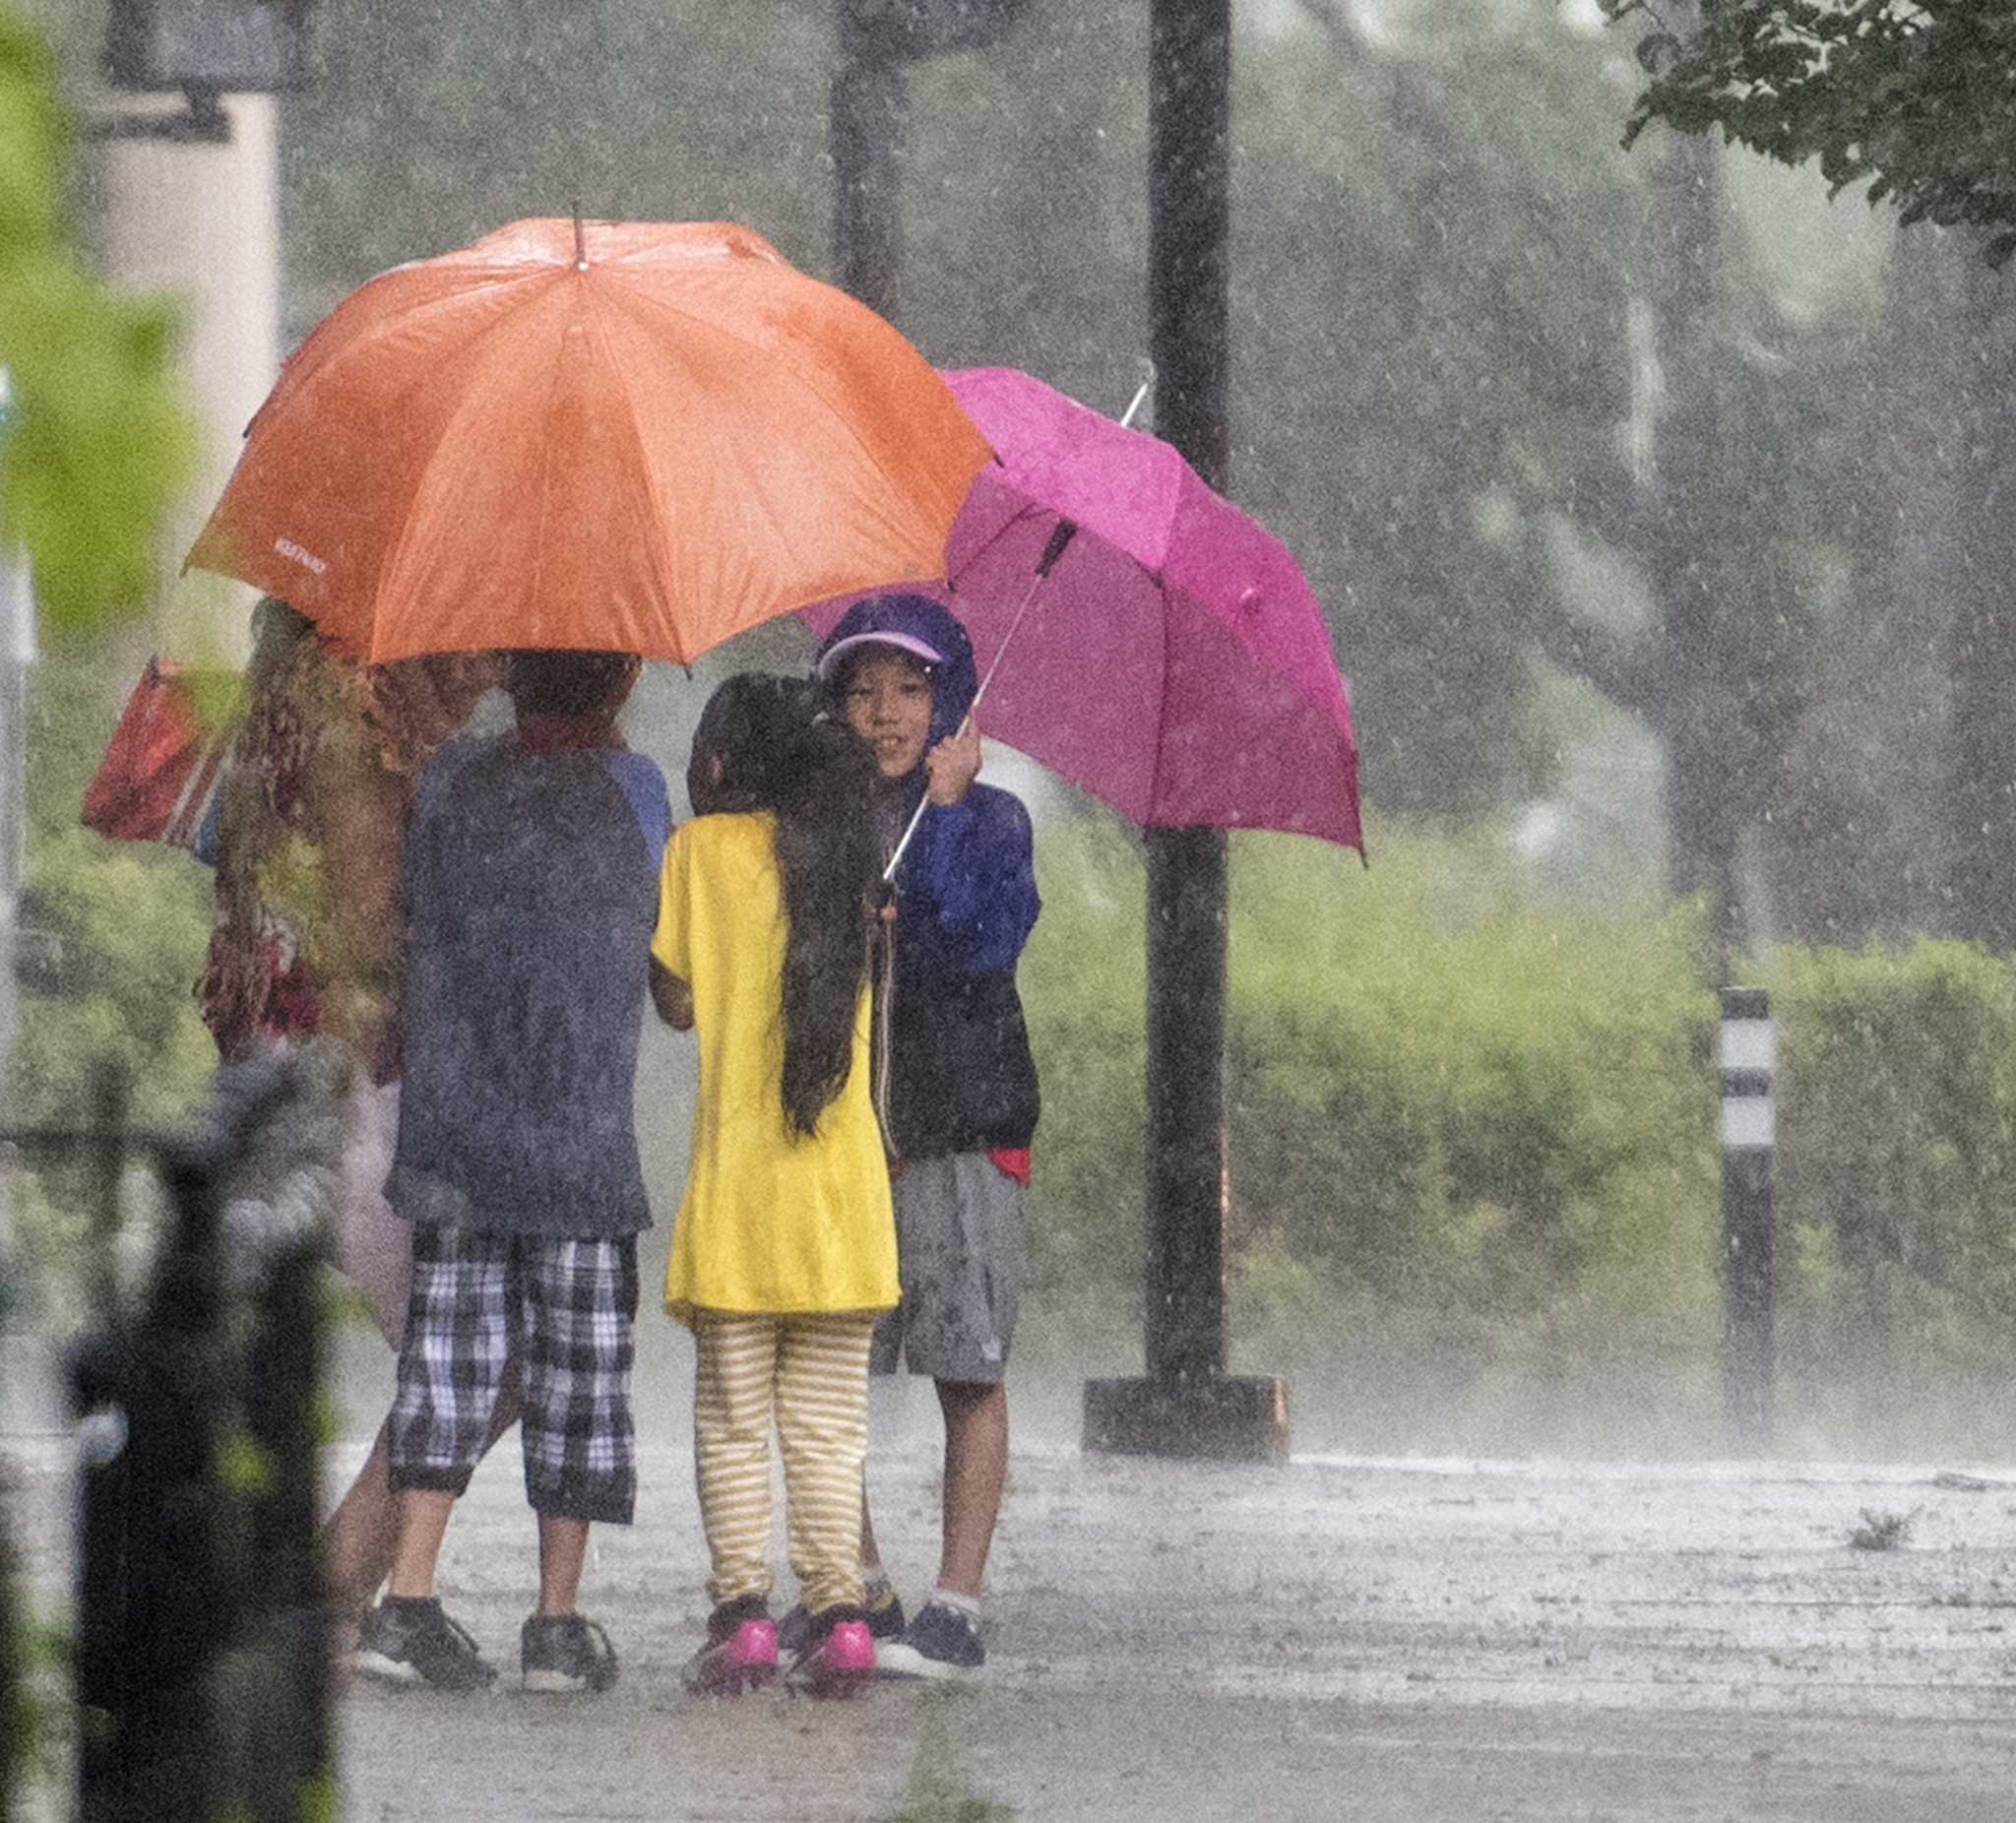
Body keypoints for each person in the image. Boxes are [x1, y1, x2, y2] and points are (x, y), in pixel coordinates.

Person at [351, 648, 666, 1694]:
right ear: (621, 685)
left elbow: (414, 896)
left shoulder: (449, 777)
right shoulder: (635, 787)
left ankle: (405, 1600)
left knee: (442, 1370)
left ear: (505, 678)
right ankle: (557, 1625)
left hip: (457, 1137)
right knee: (573, 1382)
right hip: (576, 1147)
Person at [194, 597, 508, 1634]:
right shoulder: (355, 706)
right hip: (351, 1083)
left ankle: (309, 1589)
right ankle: (329, 1594)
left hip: (268, 1067)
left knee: (302, 1350)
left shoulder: (282, 693)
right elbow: (371, 917)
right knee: (497, 1350)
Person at [651, 673, 898, 1697]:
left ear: (720, 761)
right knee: (829, 1428)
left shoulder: (698, 855)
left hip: (741, 1206)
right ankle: (842, 1617)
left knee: (733, 1419)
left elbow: (674, 1002)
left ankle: (743, 1615)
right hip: (842, 1207)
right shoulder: (852, 863)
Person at [811, 594, 1040, 1679]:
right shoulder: (822, 825)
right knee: (826, 1365)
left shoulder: (991, 821)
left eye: (907, 690)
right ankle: (855, 1584)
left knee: (965, 1364)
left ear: (950, 705)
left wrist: (942, 816)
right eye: (860, 691)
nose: (884, 713)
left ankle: (955, 1602)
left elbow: (978, 941)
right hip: (850, 1136)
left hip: (960, 1130)